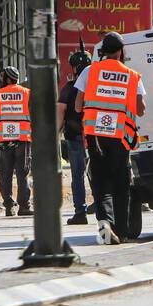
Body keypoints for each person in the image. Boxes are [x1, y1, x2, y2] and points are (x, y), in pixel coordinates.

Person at [75, 32, 146, 245]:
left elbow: (78, 105)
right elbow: (140, 110)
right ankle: (121, 231)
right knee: (121, 185)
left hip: (96, 136)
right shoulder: (132, 75)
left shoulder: (89, 71)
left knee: (101, 181)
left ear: (103, 52)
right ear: (120, 51)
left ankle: (105, 220)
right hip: (120, 137)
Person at [56, 49, 93, 225]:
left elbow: (60, 111)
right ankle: (101, 206)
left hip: (76, 136)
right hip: (96, 137)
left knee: (78, 175)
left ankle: (81, 212)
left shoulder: (69, 89)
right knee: (97, 172)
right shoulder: (97, 86)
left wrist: (55, 132)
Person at [0, 65, 32, 217]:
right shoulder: (27, 93)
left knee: (5, 174)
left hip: (4, 140)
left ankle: (9, 206)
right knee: (23, 174)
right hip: (23, 139)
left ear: (7, 78)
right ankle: (24, 207)